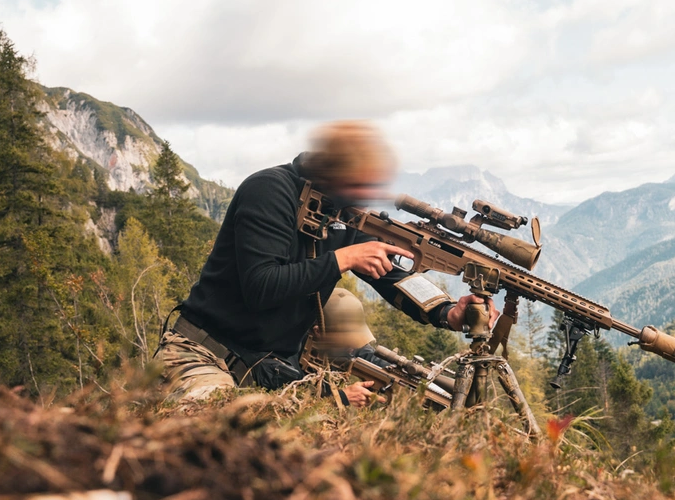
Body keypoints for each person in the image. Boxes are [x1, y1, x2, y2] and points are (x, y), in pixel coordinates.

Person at [157, 120, 490, 404]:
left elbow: (389, 272)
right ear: (333, 171)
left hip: (268, 362)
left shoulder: (340, 212)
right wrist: (344, 258)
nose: (366, 194)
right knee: (218, 419)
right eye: (359, 182)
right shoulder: (270, 192)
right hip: (203, 353)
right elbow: (261, 286)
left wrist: (447, 311)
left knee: (344, 316)